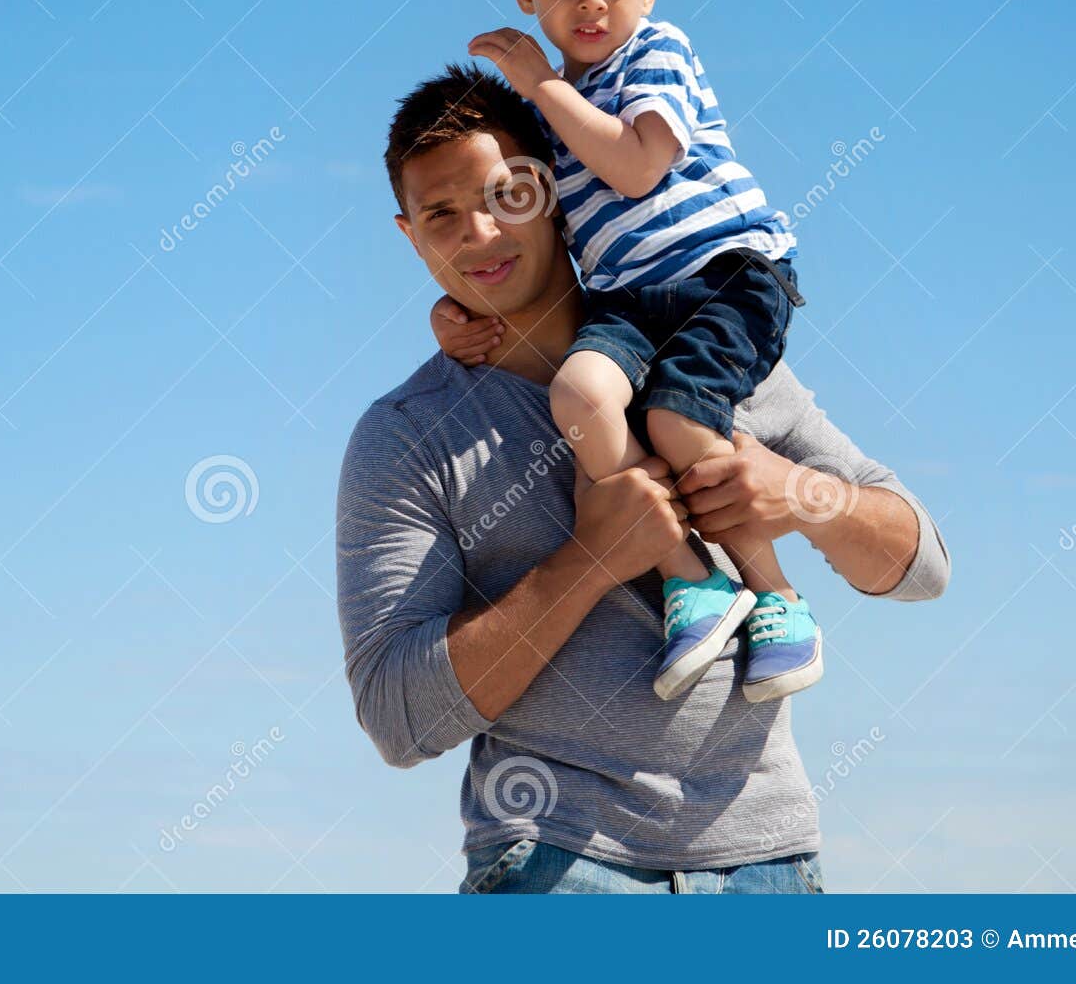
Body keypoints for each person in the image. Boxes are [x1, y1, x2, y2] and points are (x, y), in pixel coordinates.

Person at [335, 67, 949, 894]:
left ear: (554, 187)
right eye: (442, 214)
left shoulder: (709, 353)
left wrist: (798, 493)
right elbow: (398, 715)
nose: (480, 232)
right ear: (411, 236)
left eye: (505, 194)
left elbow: (922, 567)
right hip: (555, 863)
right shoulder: (406, 434)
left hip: (770, 867)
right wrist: (590, 559)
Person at [432, 0, 812, 701]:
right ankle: (693, 578)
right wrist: (450, 310)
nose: (593, 0)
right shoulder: (548, 118)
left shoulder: (657, 53)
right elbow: (528, 239)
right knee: (580, 397)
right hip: (629, 301)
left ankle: (778, 597)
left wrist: (541, 83)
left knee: (676, 418)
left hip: (724, 274)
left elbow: (638, 167)